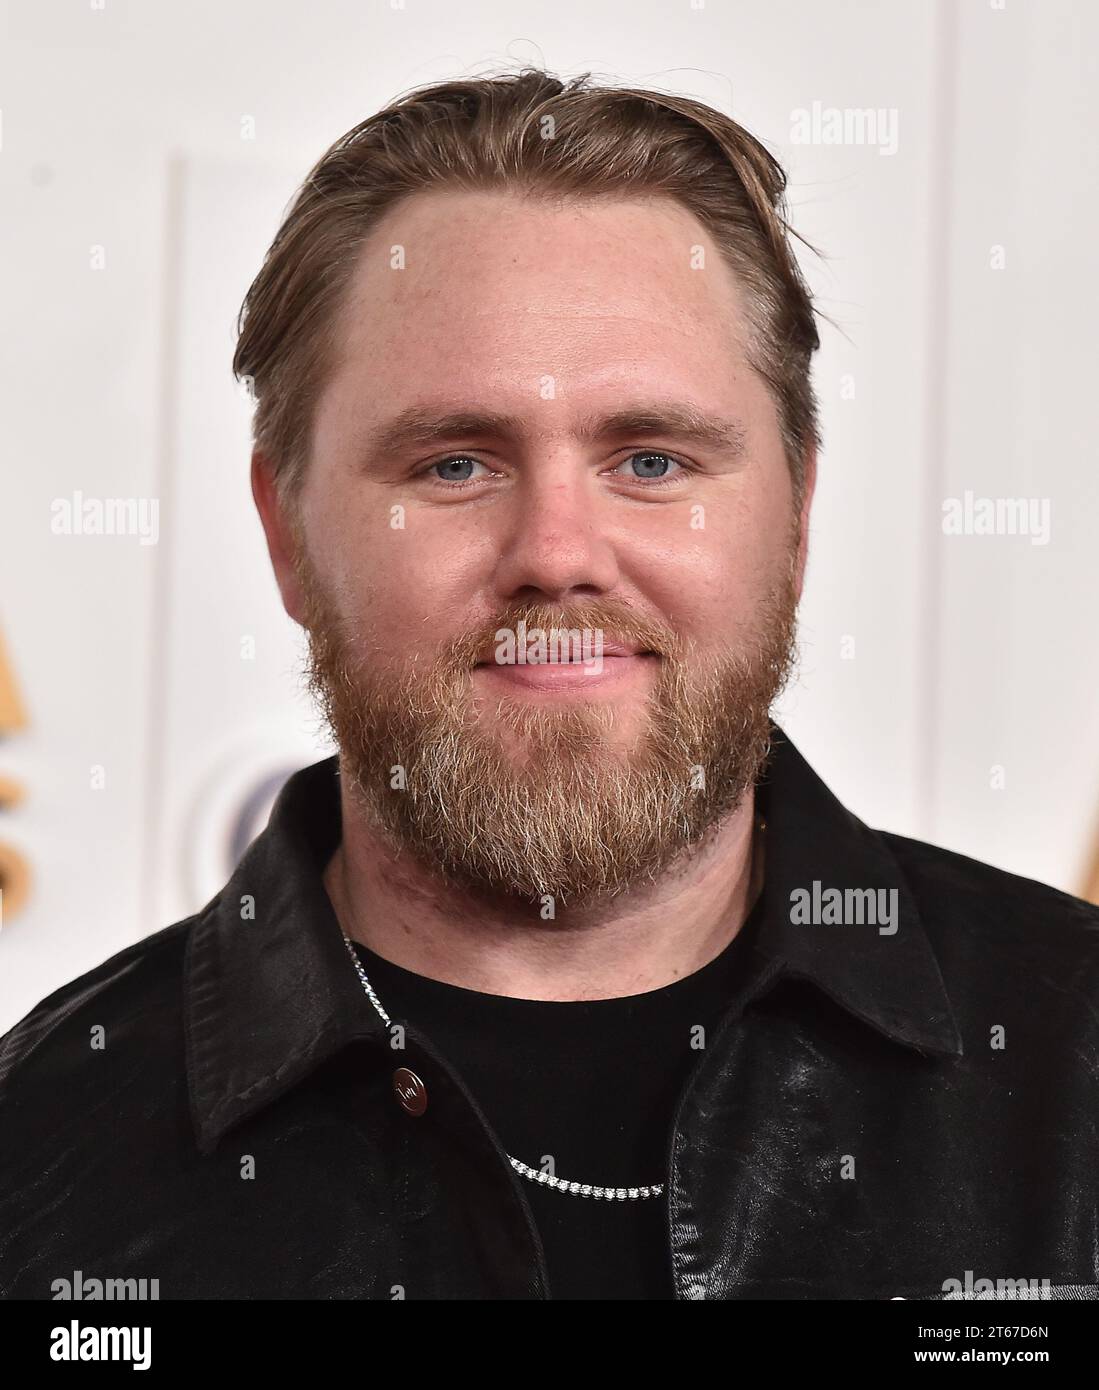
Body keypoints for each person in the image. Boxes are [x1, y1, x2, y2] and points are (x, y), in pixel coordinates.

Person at [2, 68, 1097, 1302]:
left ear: (794, 517)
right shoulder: (36, 1170)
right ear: (288, 534)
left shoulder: (1075, 1067)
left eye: (649, 457)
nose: (558, 556)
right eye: (456, 462)